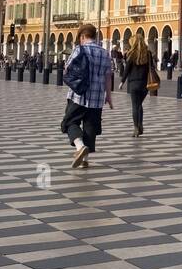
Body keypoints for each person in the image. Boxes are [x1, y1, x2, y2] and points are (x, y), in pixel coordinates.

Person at [61, 23, 115, 169]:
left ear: (83, 36)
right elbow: (108, 76)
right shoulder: (105, 52)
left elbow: (67, 68)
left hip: (79, 94)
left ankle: (79, 147)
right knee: (90, 128)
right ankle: (84, 159)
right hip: (97, 97)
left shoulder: (80, 49)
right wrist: (108, 96)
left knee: (69, 122)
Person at [123, 31, 155, 137]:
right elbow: (152, 67)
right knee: (139, 105)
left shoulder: (131, 54)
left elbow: (127, 69)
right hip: (145, 84)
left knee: (135, 106)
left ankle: (136, 128)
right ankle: (140, 125)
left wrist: (122, 81)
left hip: (133, 84)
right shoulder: (148, 53)